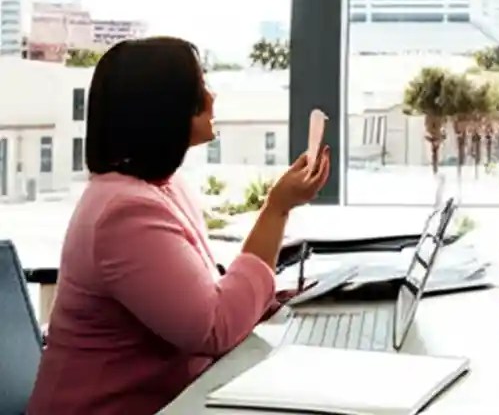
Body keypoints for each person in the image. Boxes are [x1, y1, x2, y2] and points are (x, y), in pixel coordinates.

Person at [28, 37, 331, 415]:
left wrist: (261, 300)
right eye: (199, 88)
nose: (212, 97)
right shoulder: (123, 214)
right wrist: (277, 208)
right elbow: (214, 327)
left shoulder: (160, 188)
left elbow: (205, 297)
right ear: (163, 107)